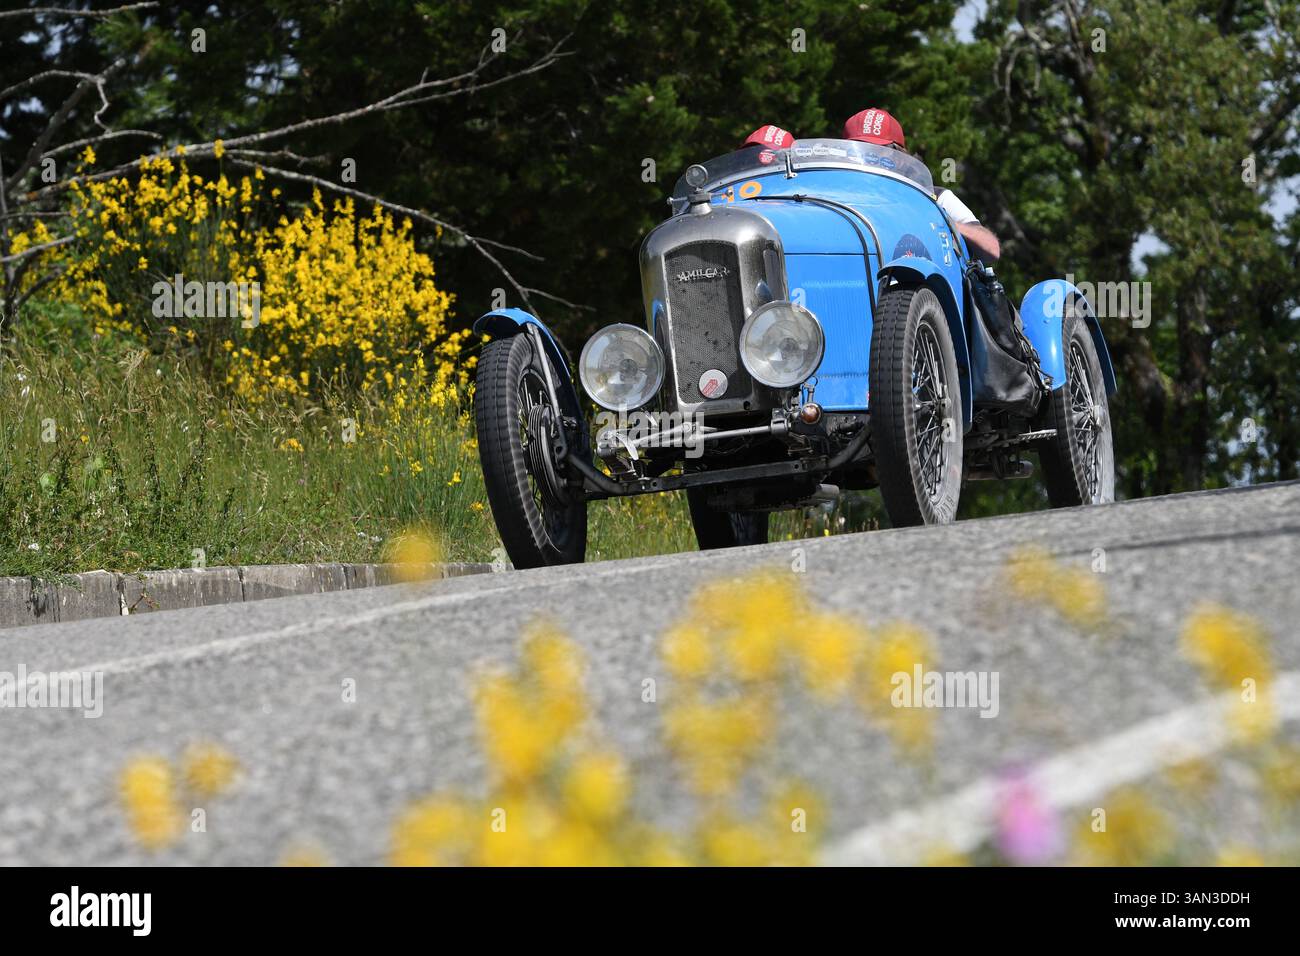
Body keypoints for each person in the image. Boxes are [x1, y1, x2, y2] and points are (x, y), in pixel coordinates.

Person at [841, 108, 1001, 262]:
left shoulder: (935, 197)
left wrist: (939, 221)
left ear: (899, 156)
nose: (868, 159)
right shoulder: (836, 198)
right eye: (859, 151)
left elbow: (991, 249)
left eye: (879, 151)